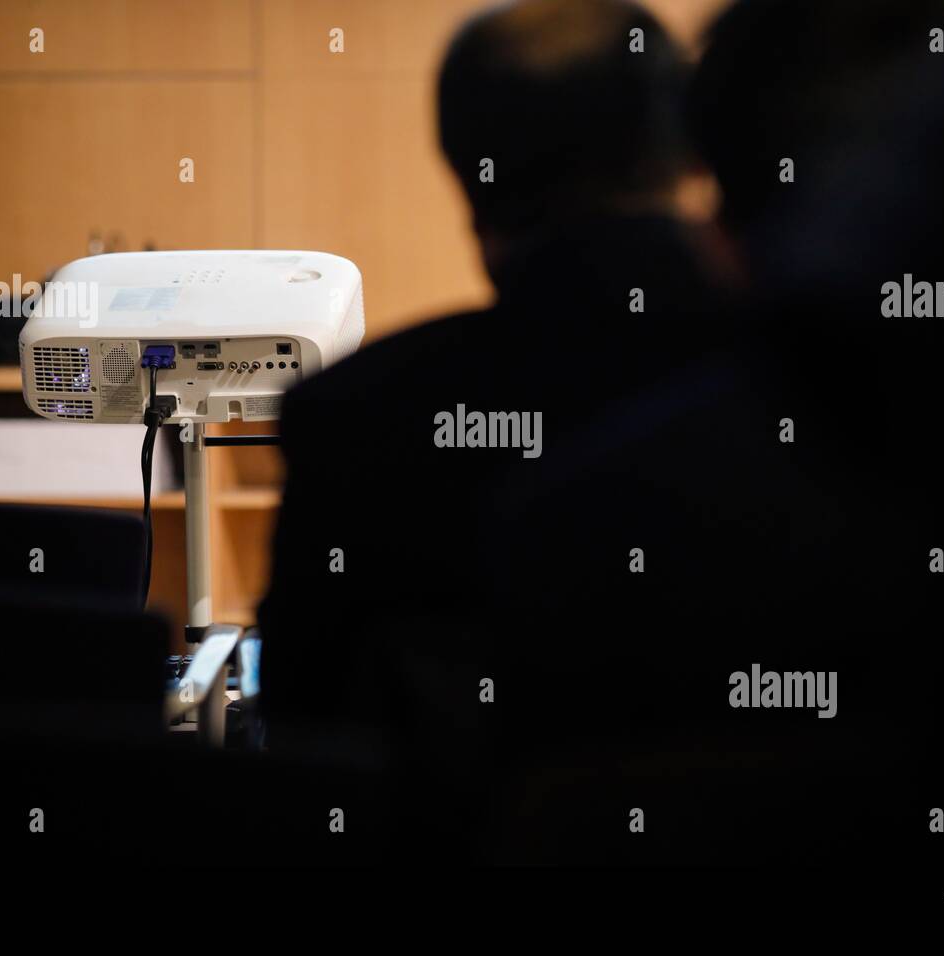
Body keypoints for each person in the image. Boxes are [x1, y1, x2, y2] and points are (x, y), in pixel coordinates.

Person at [256, 0, 722, 861]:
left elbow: (303, 749)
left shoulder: (359, 418)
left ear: (470, 180)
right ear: (686, 152)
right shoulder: (843, 381)